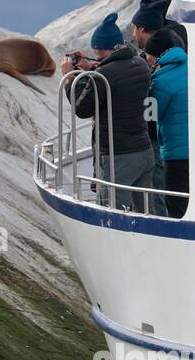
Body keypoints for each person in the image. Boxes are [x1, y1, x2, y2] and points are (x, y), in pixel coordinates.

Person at [60, 12, 155, 211]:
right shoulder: (140, 64)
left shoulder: (103, 75)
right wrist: (92, 67)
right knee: (146, 213)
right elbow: (118, 74)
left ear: (97, 48)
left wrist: (70, 78)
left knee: (113, 214)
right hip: (144, 151)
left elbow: (82, 108)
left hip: (118, 155)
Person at [145, 29, 190, 218]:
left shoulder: (160, 81)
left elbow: (152, 117)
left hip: (176, 152)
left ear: (156, 55)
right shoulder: (194, 66)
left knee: (177, 205)